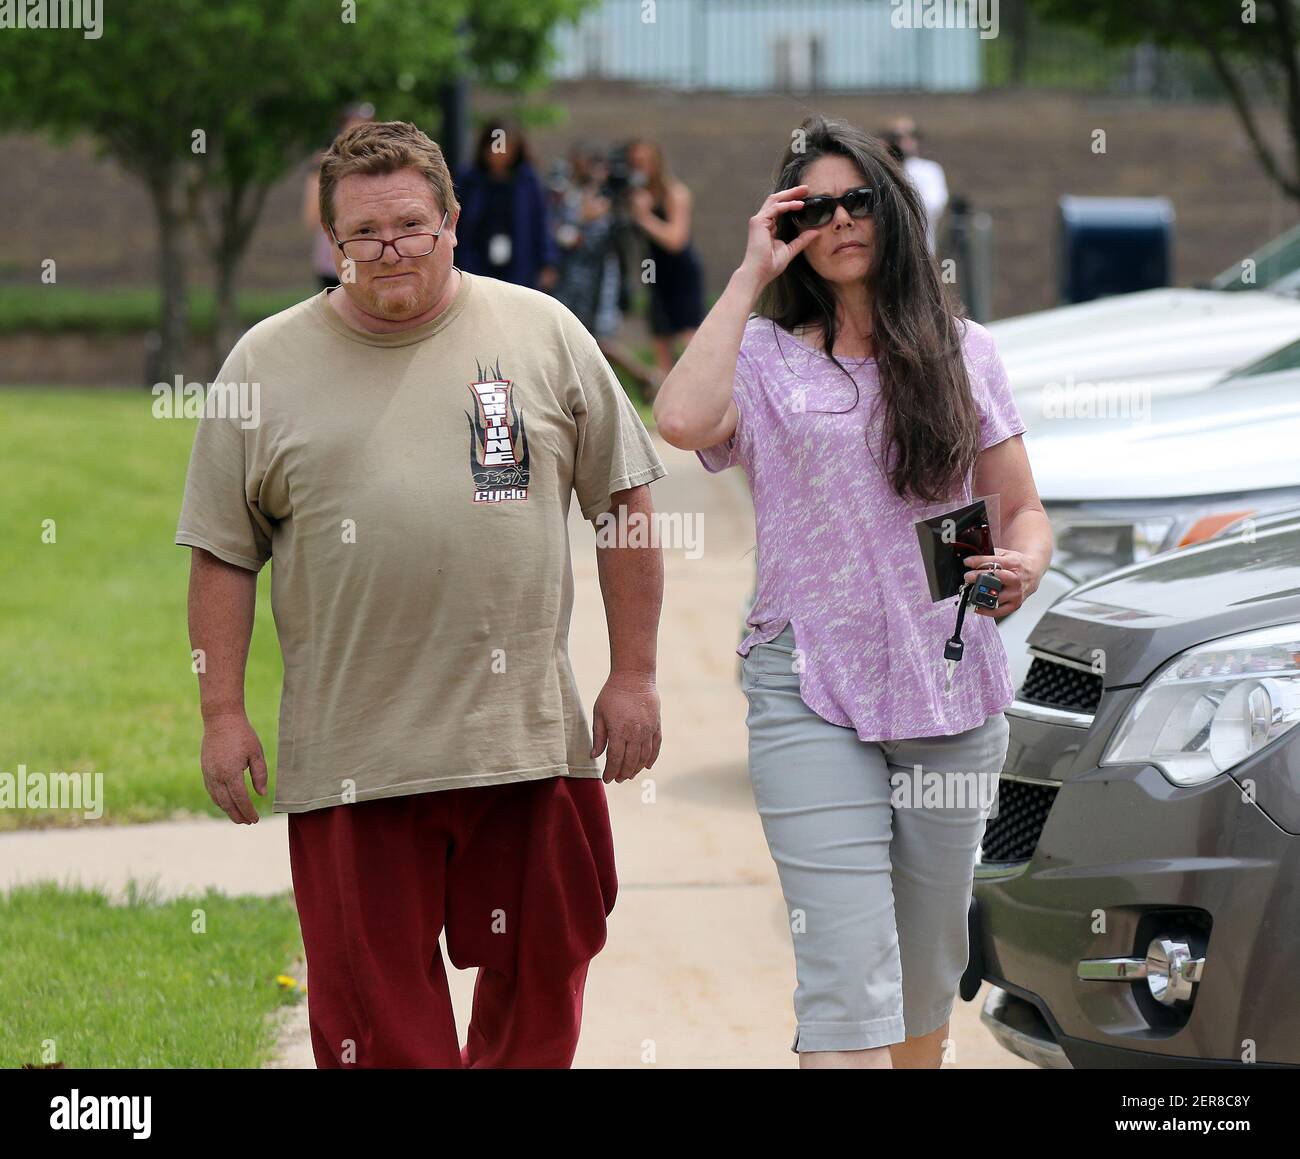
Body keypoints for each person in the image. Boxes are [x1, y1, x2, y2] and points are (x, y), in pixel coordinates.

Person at [176, 120, 666, 1069]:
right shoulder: (264, 366)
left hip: (524, 741)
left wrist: (636, 675)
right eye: (363, 233)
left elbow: (625, 501)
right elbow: (222, 554)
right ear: (333, 242)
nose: (388, 248)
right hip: (356, 758)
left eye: (409, 224)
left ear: (450, 219)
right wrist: (221, 711)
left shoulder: (542, 332)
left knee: (546, 972)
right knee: (373, 1019)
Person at [653, 115, 1053, 1069]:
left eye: (856, 199)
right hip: (806, 681)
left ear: (894, 207)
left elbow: (1025, 512)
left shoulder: (965, 354)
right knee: (845, 964)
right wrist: (750, 269)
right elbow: (678, 418)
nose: (838, 219)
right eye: (813, 207)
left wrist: (1025, 565)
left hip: (947, 681)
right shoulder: (764, 355)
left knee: (925, 965)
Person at [626, 138, 705, 387]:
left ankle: (704, 390)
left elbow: (676, 239)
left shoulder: (675, 193)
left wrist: (644, 216)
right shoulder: (635, 195)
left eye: (645, 162)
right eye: (636, 163)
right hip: (654, 272)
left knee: (687, 335)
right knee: (660, 336)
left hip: (680, 273)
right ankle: (668, 398)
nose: (641, 168)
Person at [453, 119, 559, 291]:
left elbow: (540, 222)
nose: (500, 153)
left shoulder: (528, 181)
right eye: (495, 147)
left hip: (518, 258)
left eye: (506, 148)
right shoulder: (469, 180)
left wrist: (547, 261)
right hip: (476, 256)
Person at [303, 103, 375, 288]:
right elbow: (311, 217)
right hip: (341, 258)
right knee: (346, 304)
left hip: (372, 258)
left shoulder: (381, 167)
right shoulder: (326, 166)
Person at [885, 117, 948, 254]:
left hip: (921, 252)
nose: (904, 141)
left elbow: (934, 205)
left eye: (911, 134)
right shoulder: (882, 170)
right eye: (896, 136)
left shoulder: (929, 170)